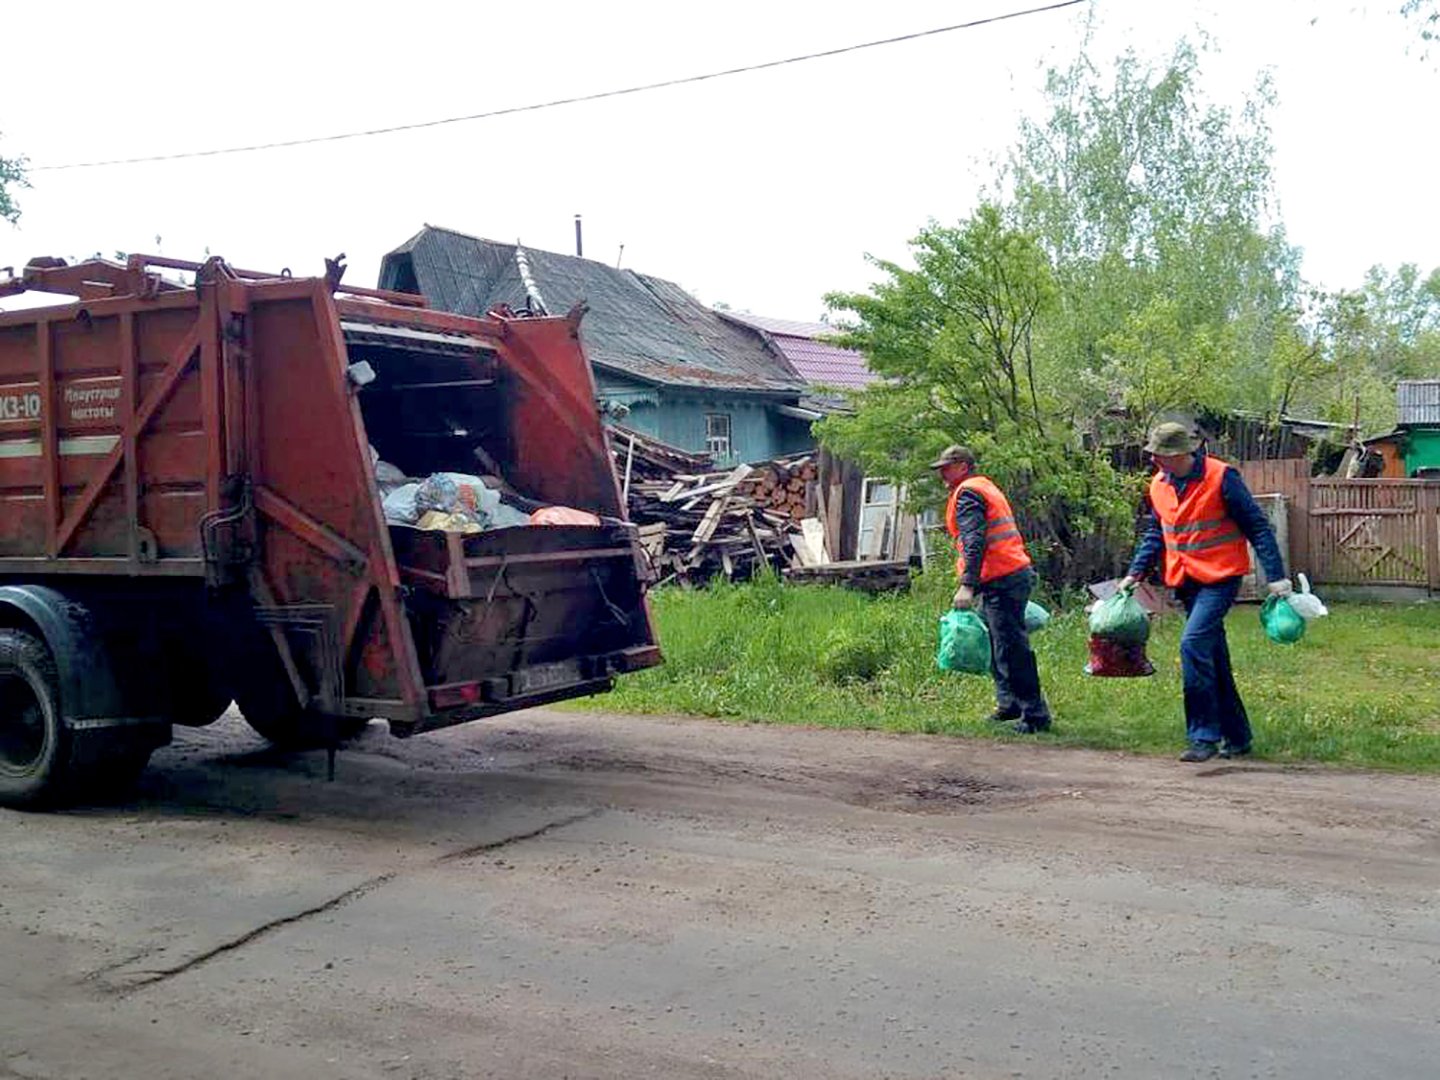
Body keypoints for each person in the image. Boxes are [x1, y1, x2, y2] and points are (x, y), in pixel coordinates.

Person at [1119, 422, 1291, 763]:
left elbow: (1257, 526)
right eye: (1153, 455)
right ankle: (1238, 737)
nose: (1155, 461)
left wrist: (1276, 576)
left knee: (1192, 645)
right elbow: (1157, 531)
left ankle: (1203, 736)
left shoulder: (1222, 477)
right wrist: (1134, 573)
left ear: (1182, 454)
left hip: (1220, 578)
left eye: (1161, 455)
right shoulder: (1158, 485)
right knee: (1213, 657)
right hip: (1185, 580)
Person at [931, 445, 1051, 734]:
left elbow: (974, 541)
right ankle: (1009, 704)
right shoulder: (984, 487)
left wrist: (967, 585)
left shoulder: (969, 493)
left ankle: (1035, 714)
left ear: (963, 466)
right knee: (996, 645)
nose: (942, 474)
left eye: (946, 467)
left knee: (1012, 649)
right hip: (1008, 575)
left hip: (1002, 578)